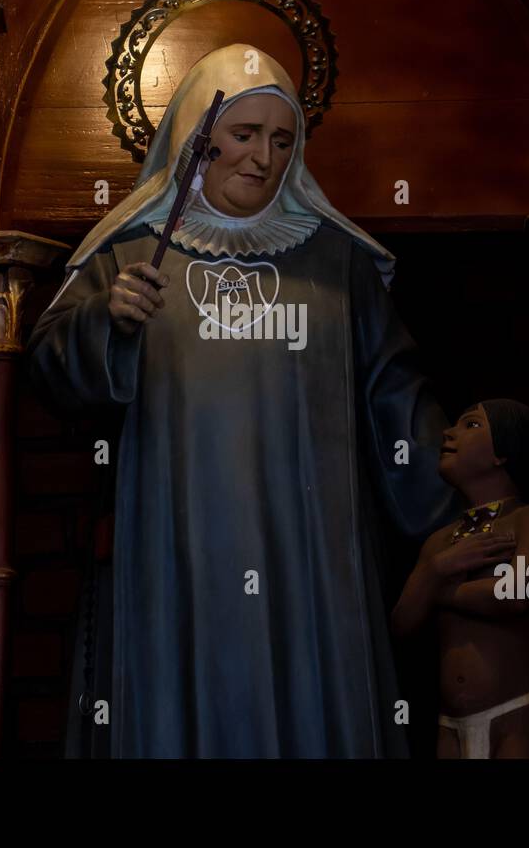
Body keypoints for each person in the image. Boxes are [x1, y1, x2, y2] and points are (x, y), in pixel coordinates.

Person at [27, 43, 455, 757]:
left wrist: (459, 509)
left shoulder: (335, 261)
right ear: (198, 137)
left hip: (311, 551)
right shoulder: (131, 252)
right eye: (243, 135)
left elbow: (395, 399)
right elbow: (47, 373)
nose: (262, 158)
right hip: (175, 545)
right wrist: (106, 322)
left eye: (282, 140)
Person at [390, 399, 529, 758]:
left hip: (514, 715)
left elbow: (516, 594)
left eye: (471, 425)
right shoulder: (439, 543)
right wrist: (438, 567)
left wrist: (439, 588)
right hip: (448, 725)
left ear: (504, 453)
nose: (449, 432)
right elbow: (403, 623)